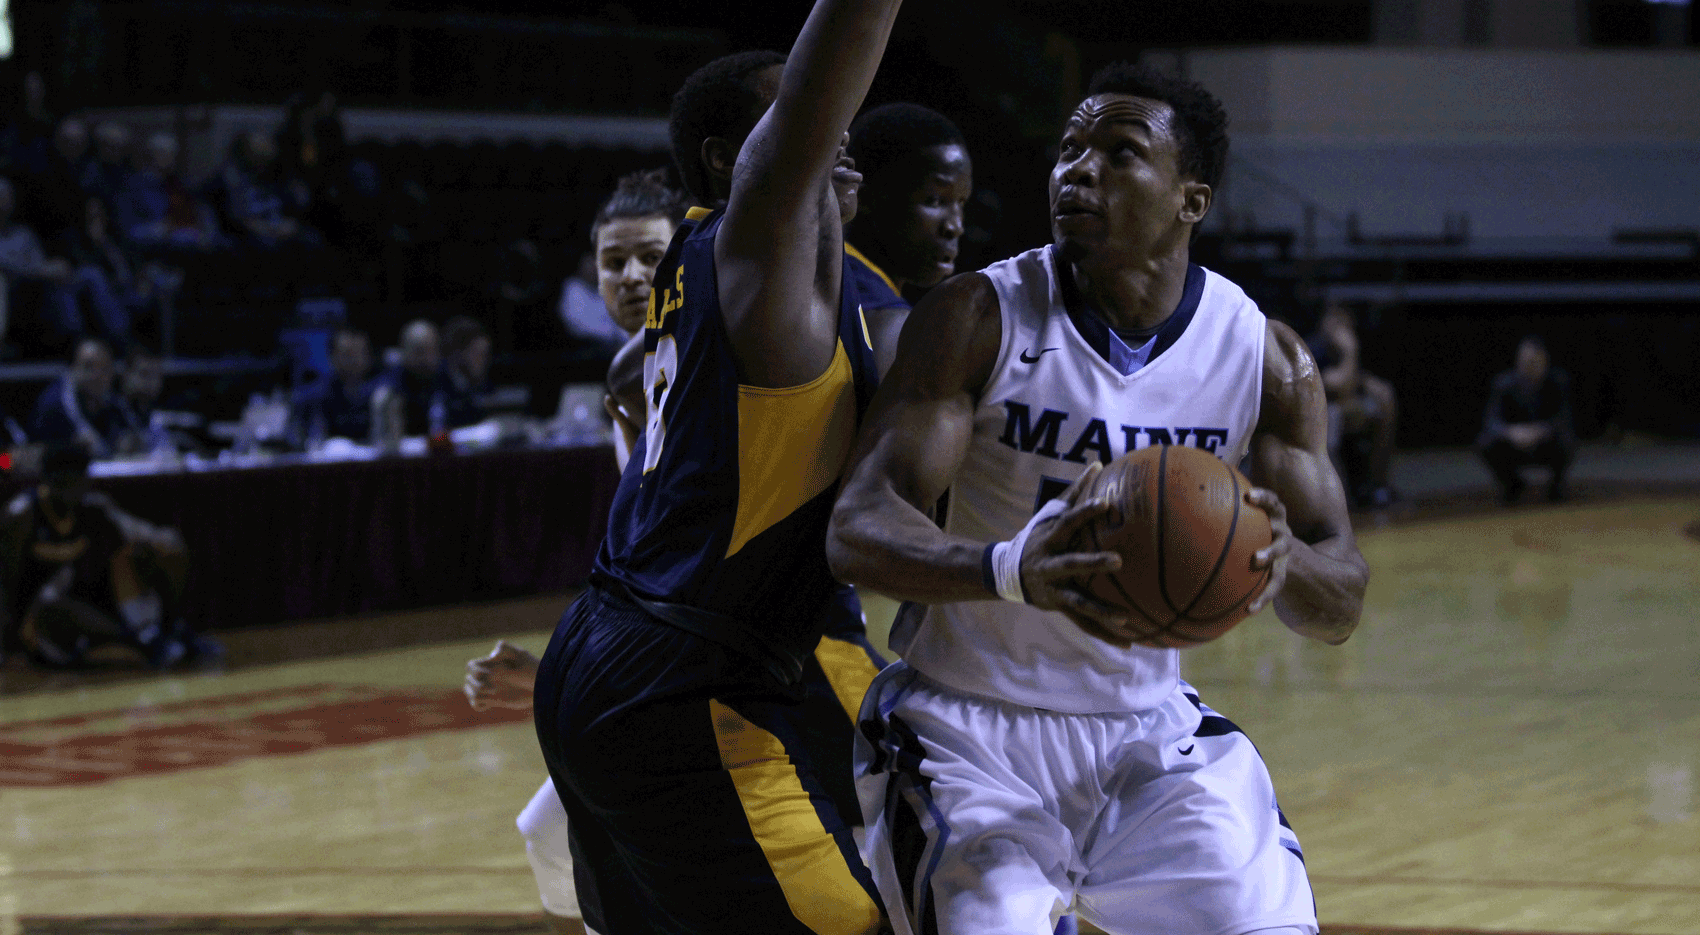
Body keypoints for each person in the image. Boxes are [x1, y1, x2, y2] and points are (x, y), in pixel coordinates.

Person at [826, 62, 1370, 935]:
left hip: (1147, 732)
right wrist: (1009, 568)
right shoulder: (979, 317)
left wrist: (1280, 561)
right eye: (1070, 149)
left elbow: (1338, 602)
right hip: (967, 732)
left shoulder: (1264, 360)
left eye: (1120, 153)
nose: (1078, 169)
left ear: (1191, 200)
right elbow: (857, 528)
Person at [531, 1, 905, 929]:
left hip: (619, 649)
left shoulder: (721, 266)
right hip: (681, 682)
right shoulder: (753, 248)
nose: (835, 131)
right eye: (806, 116)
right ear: (729, 160)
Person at [0, 441, 217, 668]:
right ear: (47, 480)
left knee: (145, 552)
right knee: (55, 604)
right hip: (38, 614)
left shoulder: (94, 507)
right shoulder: (21, 516)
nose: (71, 490)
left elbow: (154, 536)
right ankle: (143, 642)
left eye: (76, 481)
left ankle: (165, 629)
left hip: (86, 601)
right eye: (63, 482)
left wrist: (164, 545)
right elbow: (5, 583)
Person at [844, 102, 971, 373]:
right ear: (865, 199)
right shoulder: (893, 324)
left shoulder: (816, 271)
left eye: (961, 202)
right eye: (935, 200)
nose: (955, 226)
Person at [1309, 298, 1397, 509]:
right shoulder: (1315, 349)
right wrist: (1351, 350)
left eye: (1344, 319)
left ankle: (1377, 486)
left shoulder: (1343, 350)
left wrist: (1371, 385)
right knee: (1334, 416)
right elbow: (1337, 386)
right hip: (1317, 415)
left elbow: (1356, 381)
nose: (1340, 325)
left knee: (1384, 401)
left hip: (1344, 409)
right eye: (1335, 318)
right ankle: (1338, 499)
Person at [1477, 335, 1575, 505]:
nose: (1531, 366)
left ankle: (1556, 486)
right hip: (1514, 443)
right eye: (1527, 361)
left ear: (1545, 361)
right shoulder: (1503, 384)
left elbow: (1564, 418)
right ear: (1518, 361)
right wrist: (1511, 432)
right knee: (1485, 442)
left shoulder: (1558, 381)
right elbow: (1491, 421)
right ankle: (1513, 484)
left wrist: (1540, 430)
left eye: (1535, 362)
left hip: (1545, 442)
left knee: (1568, 439)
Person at [30, 338, 132, 458]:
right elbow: (37, 451)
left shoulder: (113, 400)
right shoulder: (54, 404)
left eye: (104, 368)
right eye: (88, 367)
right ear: (73, 368)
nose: (97, 375)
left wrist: (126, 441)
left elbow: (131, 435)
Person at [291, 326, 374, 446]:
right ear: (332, 356)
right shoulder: (311, 397)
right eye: (348, 354)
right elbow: (297, 440)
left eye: (360, 353)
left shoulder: (381, 394)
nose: (354, 360)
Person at [369, 319, 448, 439]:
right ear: (404, 351)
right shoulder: (390, 387)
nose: (427, 358)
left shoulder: (447, 376)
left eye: (432, 350)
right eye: (420, 352)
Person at [441, 316, 492, 429]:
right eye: (479, 355)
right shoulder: (438, 386)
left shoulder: (482, 385)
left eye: (486, 355)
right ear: (459, 353)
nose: (484, 361)